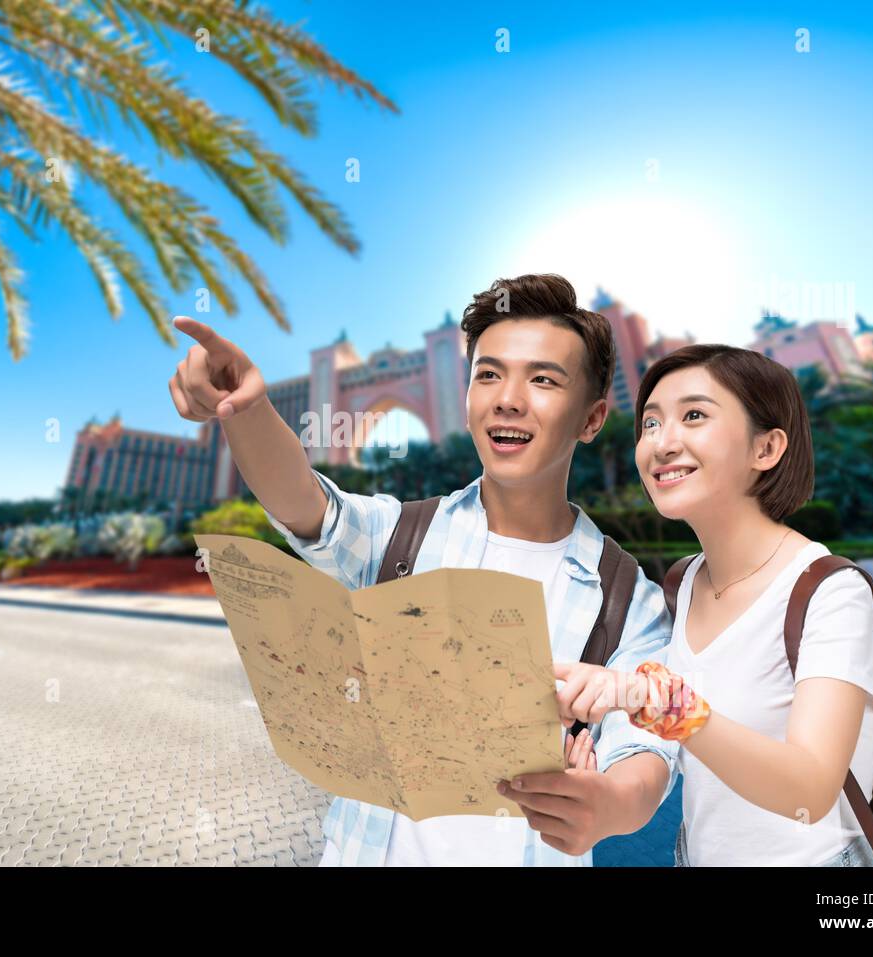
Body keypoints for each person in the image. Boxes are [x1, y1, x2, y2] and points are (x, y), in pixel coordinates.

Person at [168, 273, 678, 866]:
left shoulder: (624, 598)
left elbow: (649, 748)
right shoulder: (401, 536)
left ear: (592, 419)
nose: (507, 398)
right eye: (488, 374)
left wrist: (608, 804)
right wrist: (247, 409)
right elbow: (306, 506)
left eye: (542, 379)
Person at [552, 344, 873, 866]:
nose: (662, 443)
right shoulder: (683, 582)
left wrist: (665, 706)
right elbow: (695, 756)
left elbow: (810, 791)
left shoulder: (830, 593)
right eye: (650, 424)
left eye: (694, 416)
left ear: (767, 448)